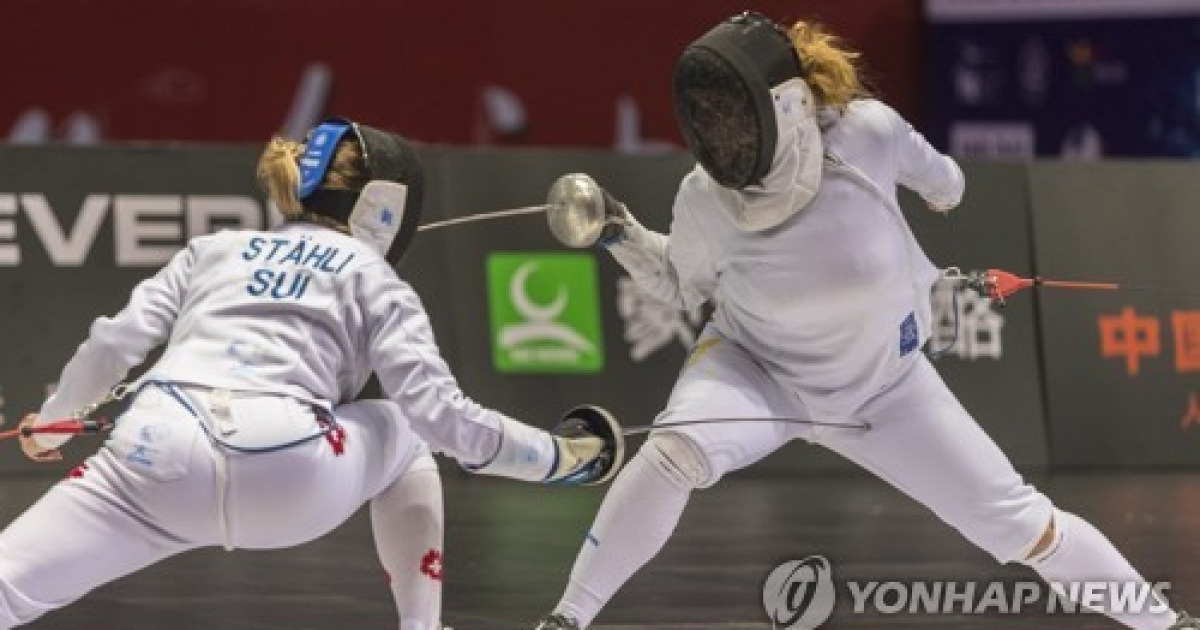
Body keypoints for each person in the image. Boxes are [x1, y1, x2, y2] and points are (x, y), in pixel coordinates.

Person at [533, 12, 1194, 630]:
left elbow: (948, 183)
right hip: (755, 370)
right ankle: (566, 619)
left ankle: (1167, 625)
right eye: (706, 115)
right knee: (672, 452)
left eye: (729, 112)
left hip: (885, 385)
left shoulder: (867, 134)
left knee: (1027, 527)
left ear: (784, 103)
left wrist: (936, 189)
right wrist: (617, 231)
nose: (719, 130)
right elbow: (681, 285)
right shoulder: (704, 198)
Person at [0, 117, 623, 630]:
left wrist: (54, 423)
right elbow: (441, 418)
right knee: (404, 429)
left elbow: (114, 342)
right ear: (386, 205)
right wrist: (562, 458)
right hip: (290, 474)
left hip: (153, 458)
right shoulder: (374, 277)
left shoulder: (214, 250)